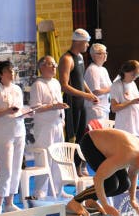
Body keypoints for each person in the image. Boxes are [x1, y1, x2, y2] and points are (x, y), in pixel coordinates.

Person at [65, 128, 139, 216]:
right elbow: (98, 178)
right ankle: (75, 201)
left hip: (109, 147)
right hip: (90, 143)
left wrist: (132, 199)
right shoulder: (127, 156)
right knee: (111, 183)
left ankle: (91, 199)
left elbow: (133, 174)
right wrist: (106, 205)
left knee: (125, 184)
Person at [0, 60, 26, 212]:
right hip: (3, 134)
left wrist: (27, 112)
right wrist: (6, 111)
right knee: (5, 169)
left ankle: (9, 202)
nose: (12, 72)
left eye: (12, 70)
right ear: (1, 74)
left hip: (19, 131)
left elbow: (19, 110)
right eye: (8, 70)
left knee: (16, 168)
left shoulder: (17, 89)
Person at [59, 29, 98, 172]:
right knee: (71, 138)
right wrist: (85, 95)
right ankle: (69, 170)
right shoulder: (67, 59)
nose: (88, 45)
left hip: (80, 104)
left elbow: (80, 79)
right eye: (86, 42)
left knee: (82, 136)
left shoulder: (80, 57)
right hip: (71, 104)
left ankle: (79, 167)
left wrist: (89, 93)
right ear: (78, 41)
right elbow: (64, 85)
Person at [30, 56, 69, 198]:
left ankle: (57, 189)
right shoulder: (37, 85)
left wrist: (62, 118)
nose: (54, 67)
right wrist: (53, 106)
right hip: (45, 126)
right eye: (50, 65)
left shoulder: (56, 83)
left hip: (57, 124)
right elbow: (35, 108)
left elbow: (60, 103)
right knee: (44, 157)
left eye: (54, 64)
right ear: (42, 67)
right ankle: (41, 191)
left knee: (59, 157)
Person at [110, 60, 139, 138]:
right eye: (134, 74)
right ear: (126, 71)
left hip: (137, 127)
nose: (135, 77)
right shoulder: (116, 85)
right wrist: (131, 102)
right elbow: (114, 108)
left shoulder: (133, 84)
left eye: (138, 75)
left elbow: (137, 107)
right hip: (125, 127)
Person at [84, 43, 111, 125]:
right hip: (96, 109)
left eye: (105, 52)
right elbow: (95, 91)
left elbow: (110, 87)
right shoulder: (92, 69)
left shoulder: (103, 69)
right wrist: (111, 89)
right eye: (100, 53)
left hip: (105, 108)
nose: (104, 55)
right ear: (93, 56)